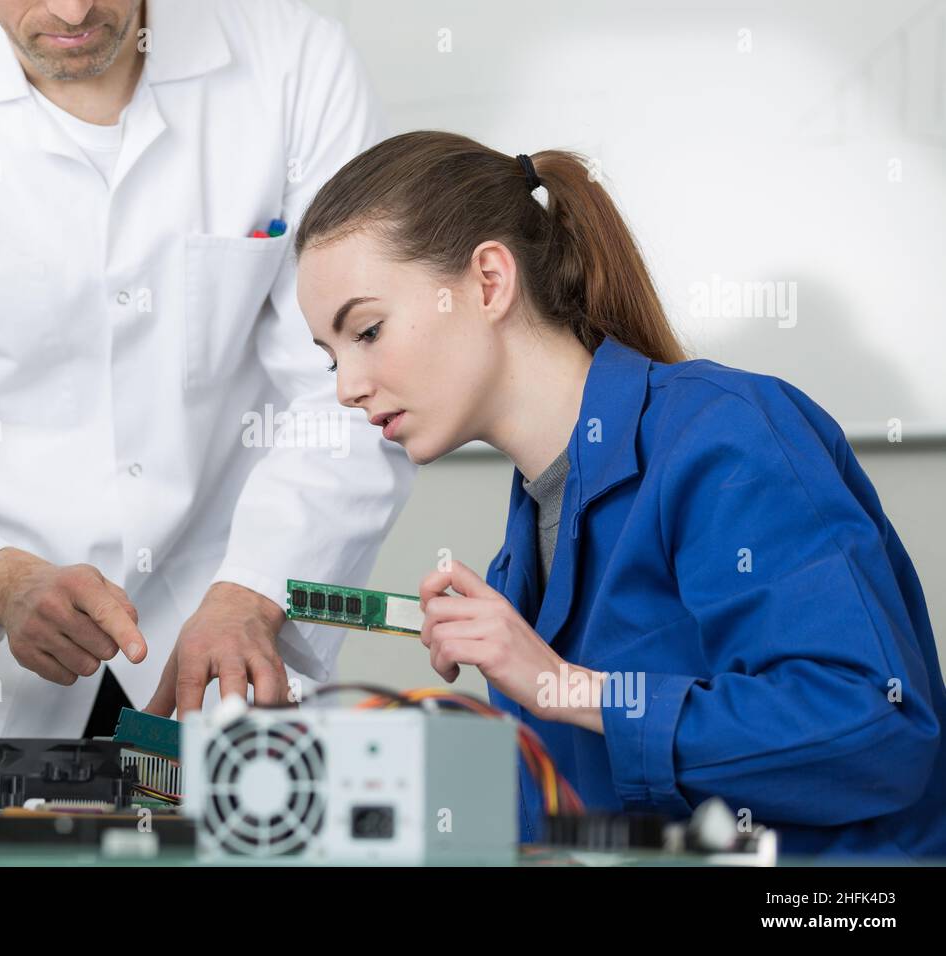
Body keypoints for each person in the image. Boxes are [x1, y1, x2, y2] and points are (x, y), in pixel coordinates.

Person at [0, 0, 413, 811]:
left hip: (217, 633)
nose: (72, 9)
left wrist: (258, 583)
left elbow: (357, 382)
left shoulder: (296, 66)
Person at [293, 130, 946, 857]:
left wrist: (570, 688)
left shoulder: (727, 437)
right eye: (330, 358)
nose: (348, 387)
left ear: (487, 282)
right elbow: (568, 817)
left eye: (368, 331)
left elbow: (874, 731)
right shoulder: (518, 569)